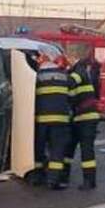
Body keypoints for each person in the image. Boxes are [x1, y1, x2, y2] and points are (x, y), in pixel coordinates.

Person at [33, 52, 72, 190]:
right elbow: (71, 96)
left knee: (38, 148)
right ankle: (53, 180)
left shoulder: (36, 76)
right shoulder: (63, 75)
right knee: (57, 150)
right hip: (60, 120)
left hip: (41, 121)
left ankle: (36, 176)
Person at [62, 53, 102, 190]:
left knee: (86, 151)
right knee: (68, 148)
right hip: (79, 118)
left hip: (86, 118)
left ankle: (89, 181)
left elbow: (70, 82)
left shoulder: (79, 71)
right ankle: (63, 177)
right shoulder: (79, 71)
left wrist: (56, 78)